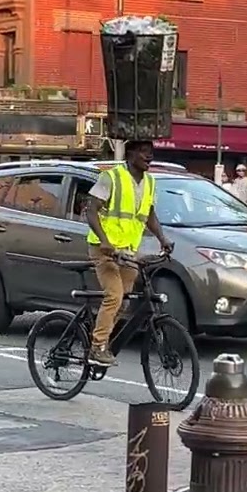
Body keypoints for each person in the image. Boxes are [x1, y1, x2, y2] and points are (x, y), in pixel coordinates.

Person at [83, 139, 175, 366]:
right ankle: (97, 347)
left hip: (128, 251)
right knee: (114, 296)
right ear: (131, 154)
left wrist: (162, 238)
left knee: (124, 301)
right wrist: (105, 242)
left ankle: (104, 340)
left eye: (151, 152)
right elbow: (91, 210)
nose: (149, 157)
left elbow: (149, 215)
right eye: (144, 152)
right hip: (105, 249)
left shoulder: (150, 182)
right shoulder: (111, 177)